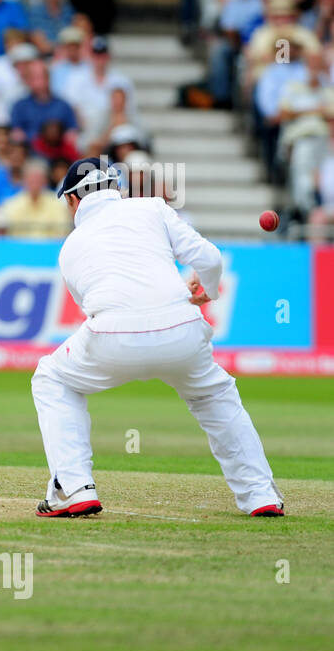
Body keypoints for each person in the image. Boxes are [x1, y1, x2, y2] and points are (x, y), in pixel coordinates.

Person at [30, 158, 285, 518]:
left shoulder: (69, 248)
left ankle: (73, 486)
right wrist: (206, 291)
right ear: (115, 189)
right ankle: (260, 495)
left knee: (51, 377)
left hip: (112, 337)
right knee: (215, 395)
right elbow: (209, 259)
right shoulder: (152, 208)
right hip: (182, 325)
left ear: (73, 201)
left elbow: (104, 302)